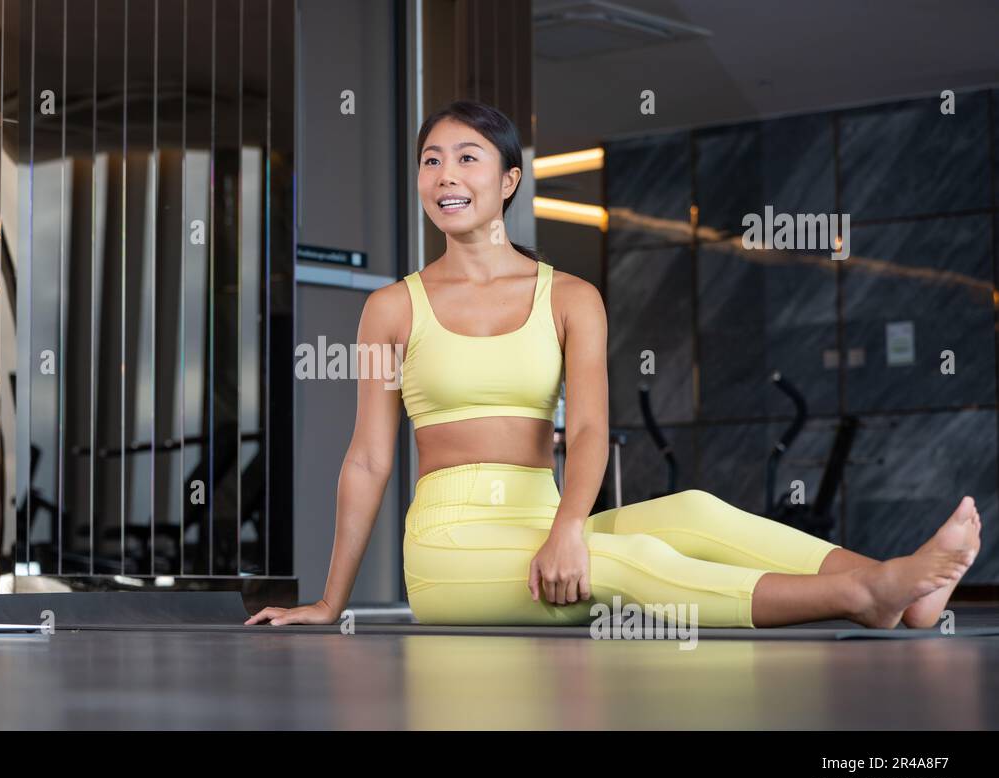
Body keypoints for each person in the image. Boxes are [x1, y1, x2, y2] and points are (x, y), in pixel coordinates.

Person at [245, 100, 981, 630]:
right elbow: (368, 461)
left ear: (508, 180)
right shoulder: (390, 309)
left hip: (544, 519)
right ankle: (867, 594)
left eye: (468, 156)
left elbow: (592, 428)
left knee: (691, 510)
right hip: (452, 547)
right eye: (431, 159)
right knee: (626, 567)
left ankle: (900, 594)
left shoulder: (571, 297)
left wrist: (569, 526)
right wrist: (329, 603)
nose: (446, 173)